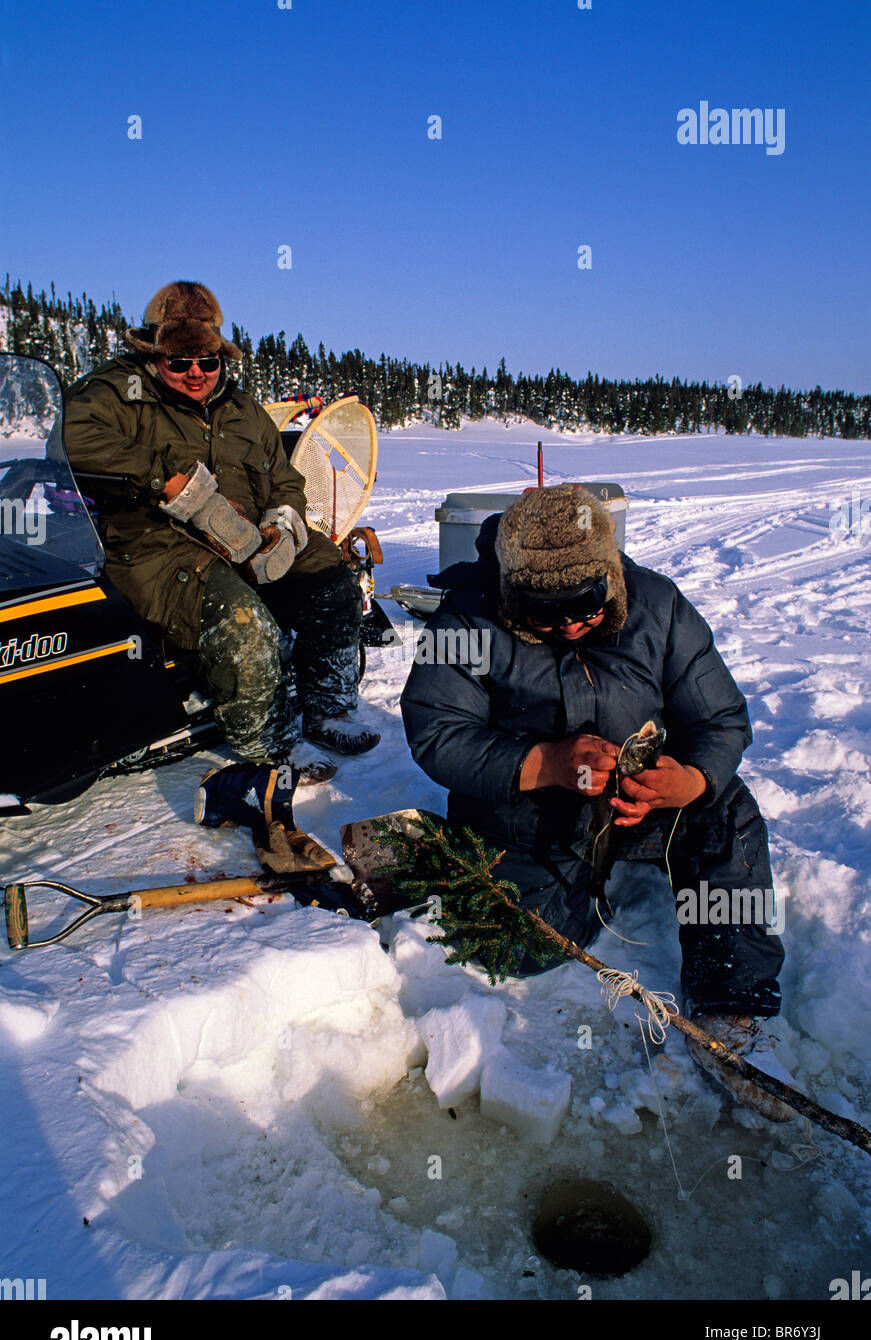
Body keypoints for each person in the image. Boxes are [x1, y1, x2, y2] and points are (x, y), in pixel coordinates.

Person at [400, 483, 791, 1119]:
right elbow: (435, 731)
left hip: (644, 807)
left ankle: (730, 1004)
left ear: (610, 578)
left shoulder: (658, 607)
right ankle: (569, 893)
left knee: (727, 814)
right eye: (541, 612)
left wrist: (686, 782)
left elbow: (720, 720)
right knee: (524, 953)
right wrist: (544, 764)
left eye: (584, 605)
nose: (567, 626)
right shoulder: (465, 621)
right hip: (527, 818)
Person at [55, 280, 379, 784]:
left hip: (248, 536)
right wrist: (172, 481)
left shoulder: (241, 406)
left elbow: (285, 477)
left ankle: (328, 707)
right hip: (159, 544)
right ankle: (269, 744)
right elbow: (73, 440)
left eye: (207, 361)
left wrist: (284, 523)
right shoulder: (118, 390)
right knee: (245, 621)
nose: (195, 374)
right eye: (179, 363)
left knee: (332, 576)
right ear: (154, 355)